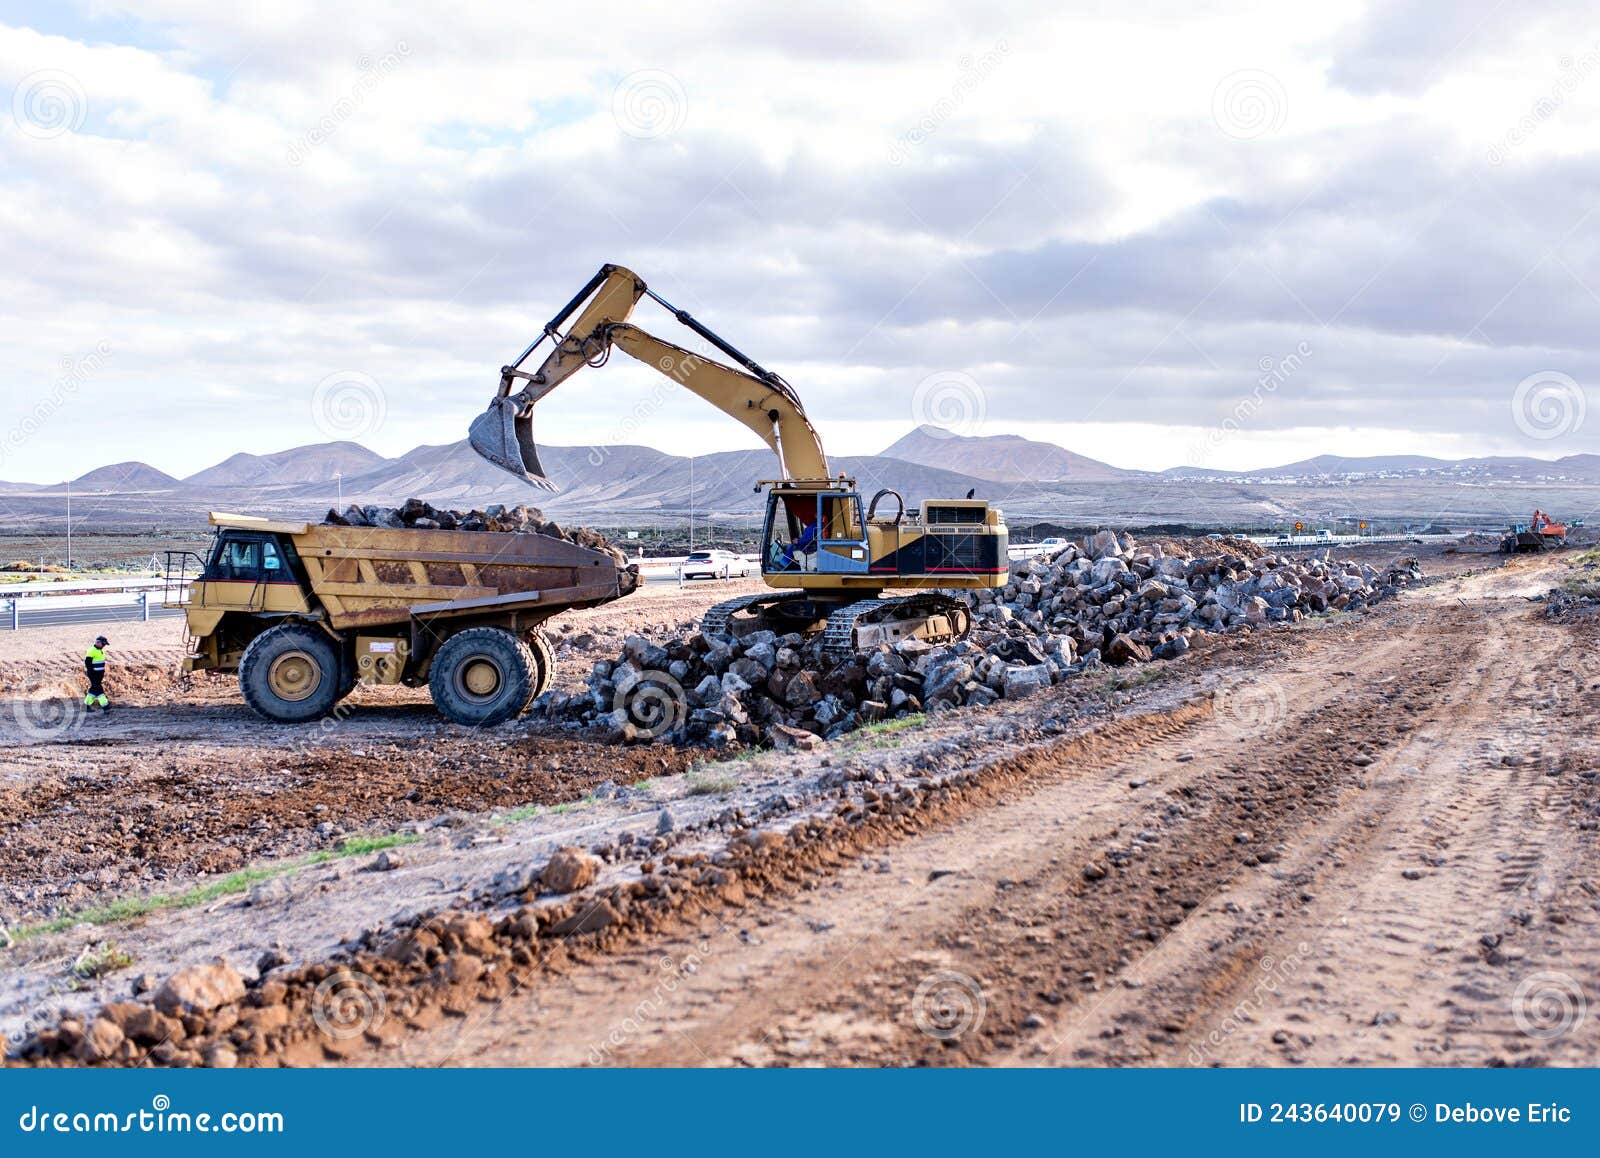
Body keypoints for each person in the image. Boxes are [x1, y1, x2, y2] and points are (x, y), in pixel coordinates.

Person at [84, 635, 109, 711]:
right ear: (98, 643)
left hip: (98, 675)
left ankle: (86, 706)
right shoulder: (92, 650)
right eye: (103, 644)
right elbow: (87, 662)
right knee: (98, 689)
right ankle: (105, 706)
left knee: (94, 689)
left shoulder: (100, 650)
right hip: (93, 674)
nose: (104, 646)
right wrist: (91, 673)